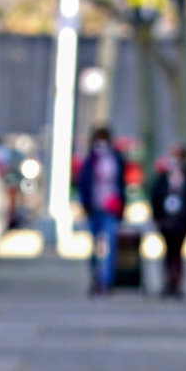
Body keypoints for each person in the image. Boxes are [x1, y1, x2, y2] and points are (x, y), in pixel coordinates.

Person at [76, 125, 127, 296]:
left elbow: (121, 183)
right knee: (94, 247)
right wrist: (85, 205)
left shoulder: (115, 158)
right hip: (94, 207)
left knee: (110, 246)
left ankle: (106, 281)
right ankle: (95, 277)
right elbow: (83, 182)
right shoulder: (91, 159)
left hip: (110, 207)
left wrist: (121, 206)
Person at [150, 148, 186, 298]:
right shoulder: (162, 178)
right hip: (166, 221)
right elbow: (155, 197)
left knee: (178, 252)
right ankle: (168, 282)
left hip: (182, 221)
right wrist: (156, 217)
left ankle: (177, 283)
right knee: (168, 252)